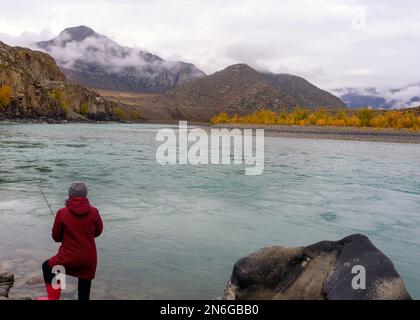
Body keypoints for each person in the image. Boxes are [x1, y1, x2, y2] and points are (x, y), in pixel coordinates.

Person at [38, 182, 103, 300]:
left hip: (67, 257)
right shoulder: (94, 211)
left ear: (69, 195)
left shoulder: (62, 212)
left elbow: (56, 237)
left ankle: (54, 298)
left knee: (49, 267)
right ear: (85, 195)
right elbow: (98, 232)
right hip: (89, 259)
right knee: (84, 289)